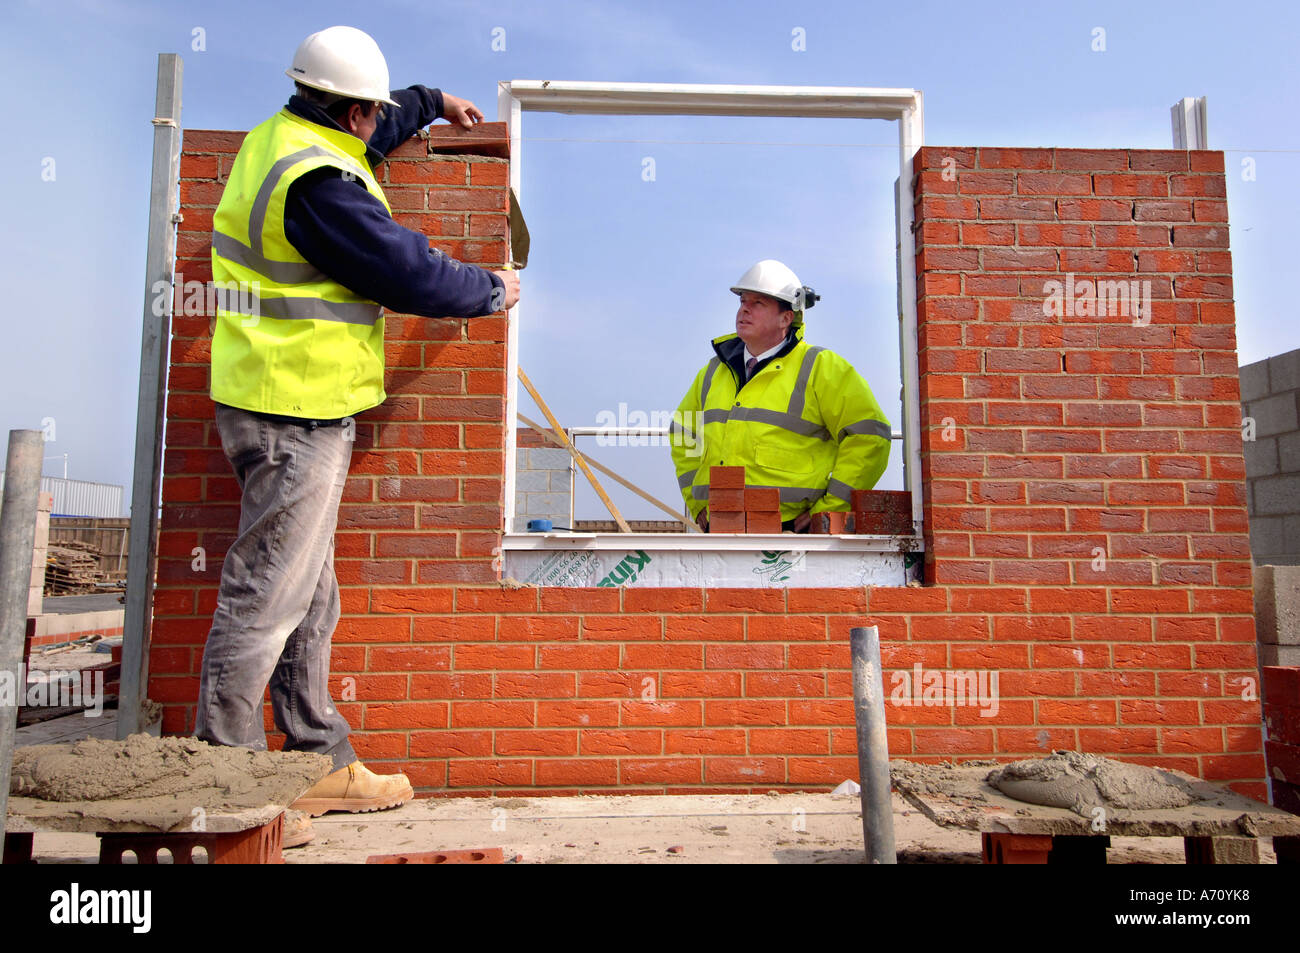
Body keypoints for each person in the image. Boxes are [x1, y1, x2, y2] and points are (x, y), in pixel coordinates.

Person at [193, 26, 521, 838]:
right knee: (268, 594)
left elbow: (381, 120)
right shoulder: (320, 184)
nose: (383, 124)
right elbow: (400, 266)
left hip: (290, 403)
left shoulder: (291, 135)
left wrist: (433, 101)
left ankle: (317, 762)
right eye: (377, 113)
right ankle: (230, 791)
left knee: (310, 595)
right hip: (290, 408)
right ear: (351, 111)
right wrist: (489, 290)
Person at [670, 260, 889, 532]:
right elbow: (683, 432)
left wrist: (832, 506)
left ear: (786, 317)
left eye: (758, 303)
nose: (744, 310)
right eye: (742, 301)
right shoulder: (713, 372)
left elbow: (870, 437)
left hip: (791, 533)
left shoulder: (821, 368)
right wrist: (696, 500)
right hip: (719, 529)